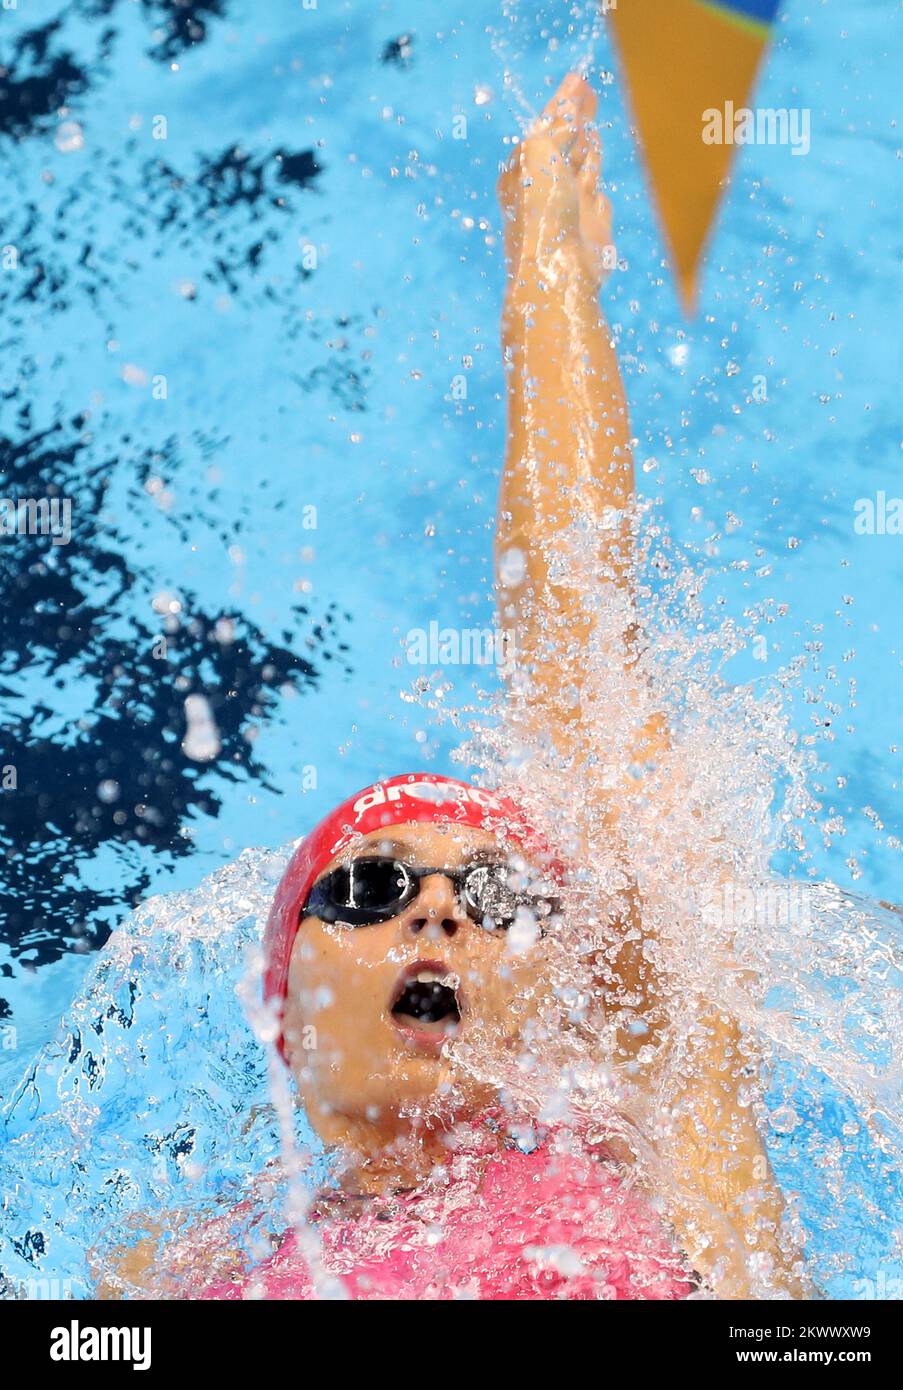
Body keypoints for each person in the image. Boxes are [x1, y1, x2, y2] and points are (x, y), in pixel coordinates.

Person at [104, 74, 807, 1301]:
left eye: (498, 894)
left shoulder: (648, 1153)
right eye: (370, 888)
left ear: (568, 994)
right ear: (283, 1000)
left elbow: (580, 626)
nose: (439, 916)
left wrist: (546, 269)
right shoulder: (172, 1277)